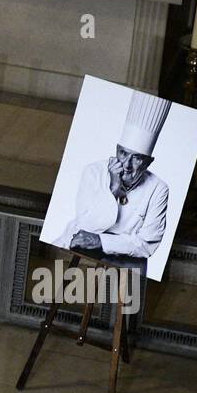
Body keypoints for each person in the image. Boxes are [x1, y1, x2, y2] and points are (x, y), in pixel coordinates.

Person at [56, 90, 170, 265]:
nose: (126, 164)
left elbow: (147, 244)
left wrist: (101, 241)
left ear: (148, 162)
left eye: (137, 157)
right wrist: (113, 189)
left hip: (123, 261)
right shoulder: (93, 171)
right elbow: (86, 226)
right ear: (116, 149)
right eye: (123, 153)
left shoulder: (159, 188)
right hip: (72, 249)